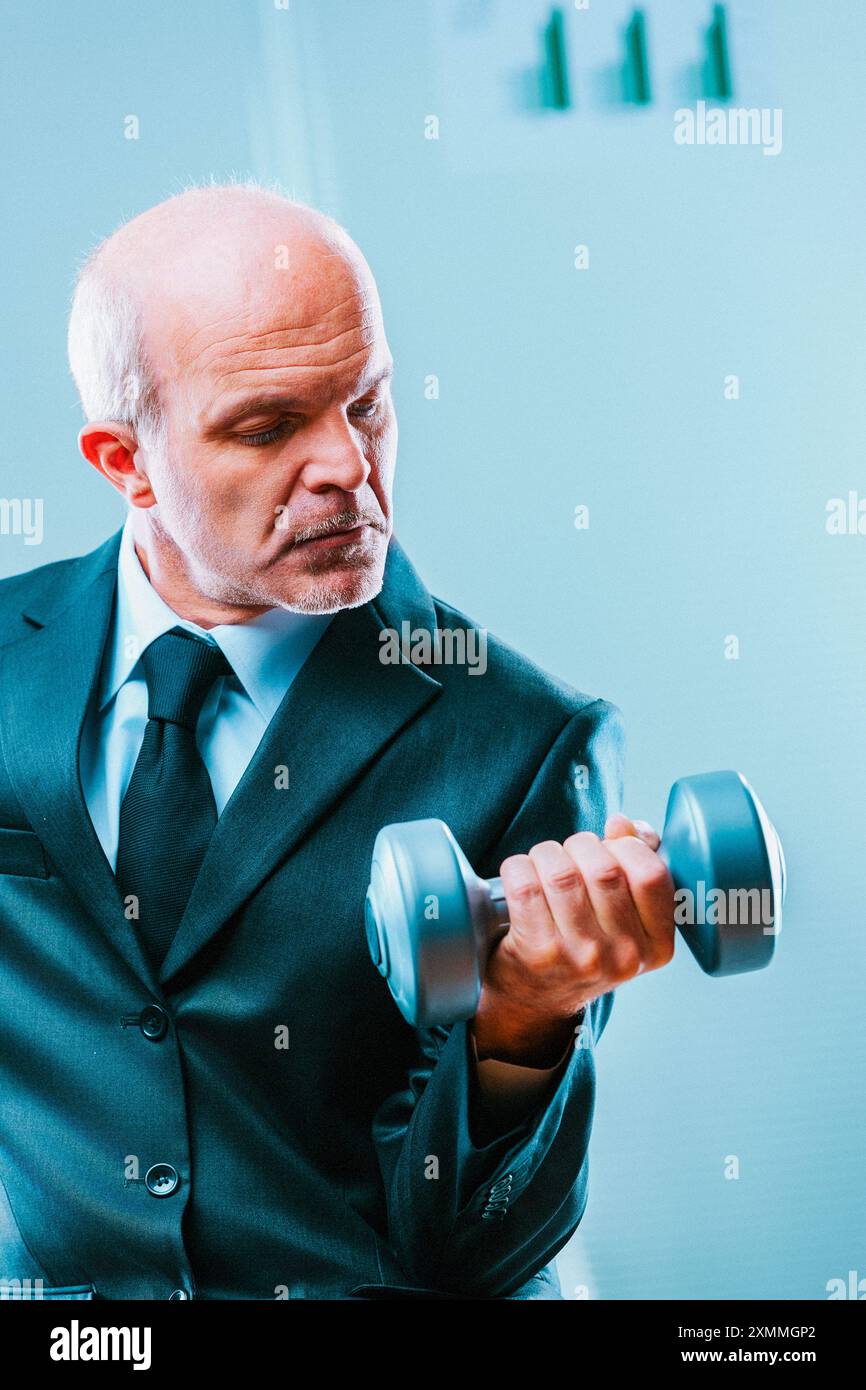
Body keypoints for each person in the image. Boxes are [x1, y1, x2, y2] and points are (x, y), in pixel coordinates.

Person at [0, 184, 674, 1301]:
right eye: (266, 427)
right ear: (125, 462)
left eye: (365, 405)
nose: (346, 470)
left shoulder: (522, 739)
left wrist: (520, 1022)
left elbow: (478, 1255)